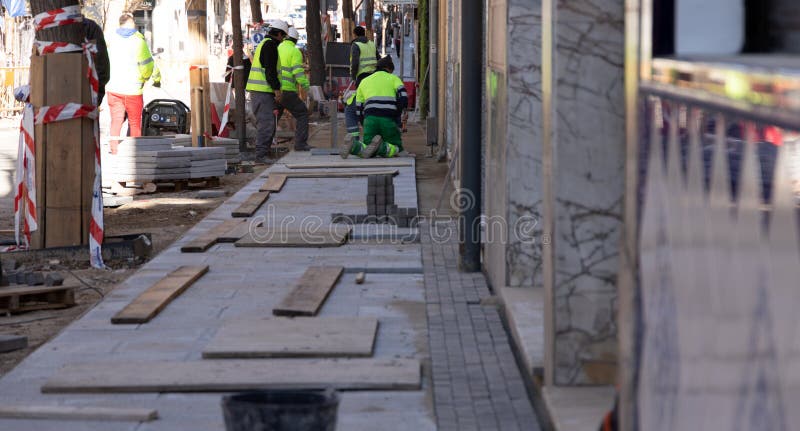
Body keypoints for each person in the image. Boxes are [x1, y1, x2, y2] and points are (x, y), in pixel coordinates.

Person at [106, 13, 161, 154]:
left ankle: (114, 152)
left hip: (114, 89)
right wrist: (155, 79)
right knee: (135, 123)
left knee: (116, 121)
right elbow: (148, 66)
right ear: (133, 24)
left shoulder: (111, 39)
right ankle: (134, 154)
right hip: (133, 91)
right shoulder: (138, 41)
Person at [342, 56, 407, 159]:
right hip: (388, 119)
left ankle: (354, 146)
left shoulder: (364, 81)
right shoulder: (394, 78)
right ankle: (382, 148)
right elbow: (403, 97)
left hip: (369, 119)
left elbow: (359, 108)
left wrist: (364, 122)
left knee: (367, 146)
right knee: (396, 147)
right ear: (389, 69)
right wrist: (399, 113)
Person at [246, 19, 288, 164]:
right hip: (262, 91)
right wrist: (276, 89)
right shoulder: (270, 46)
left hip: (262, 91)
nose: (283, 40)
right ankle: (261, 155)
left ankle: (264, 153)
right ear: (278, 34)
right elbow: (270, 71)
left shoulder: (267, 44)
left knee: (268, 123)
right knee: (267, 123)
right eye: (283, 37)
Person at [343, 26, 378, 153]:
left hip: (362, 78)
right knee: (369, 104)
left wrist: (353, 76)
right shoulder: (372, 44)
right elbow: (378, 59)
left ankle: (359, 139)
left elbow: (355, 62)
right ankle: (370, 135)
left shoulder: (356, 45)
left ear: (354, 34)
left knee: (359, 105)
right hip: (373, 78)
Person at [277, 27, 312, 151]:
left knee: (274, 118)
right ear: (296, 40)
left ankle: (265, 146)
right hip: (288, 91)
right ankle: (300, 144)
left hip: (276, 90)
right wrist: (308, 88)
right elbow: (298, 73)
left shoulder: (278, 47)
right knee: (302, 114)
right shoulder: (294, 51)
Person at [84, 19, 109, 105]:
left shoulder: (89, 27)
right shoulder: (90, 27)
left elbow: (102, 66)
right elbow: (103, 67)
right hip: (88, 98)